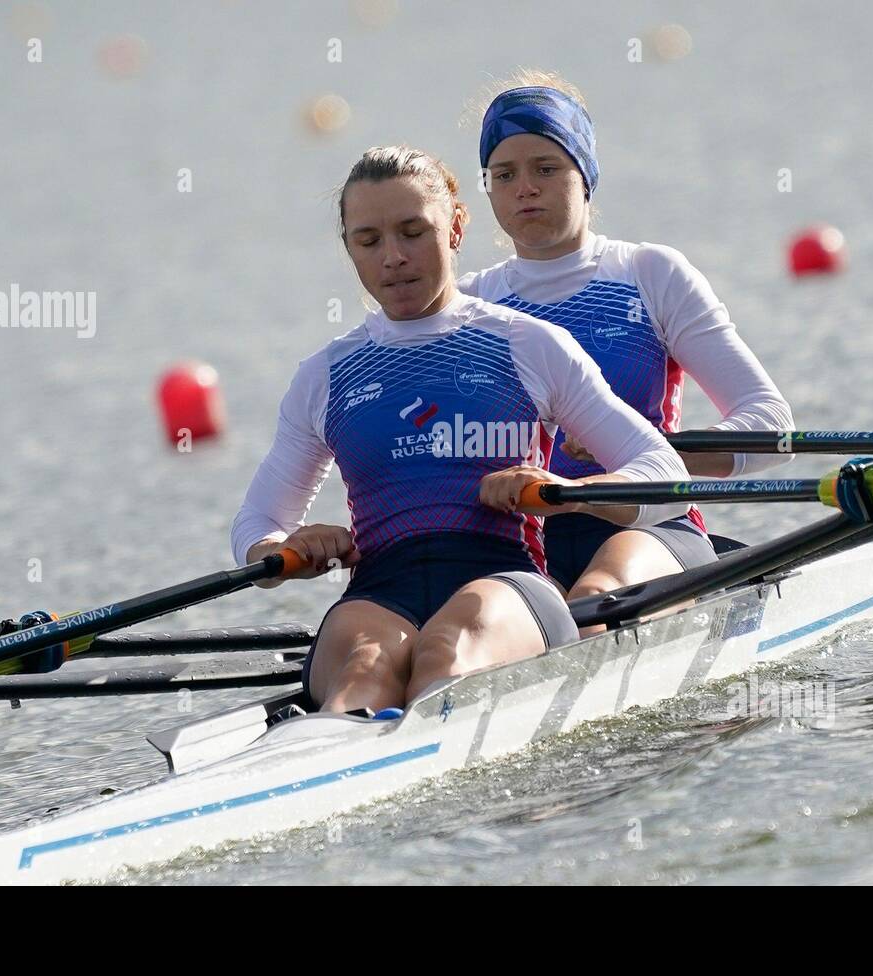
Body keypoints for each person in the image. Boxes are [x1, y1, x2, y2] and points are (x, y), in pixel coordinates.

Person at [231, 145, 691, 714]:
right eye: (369, 241)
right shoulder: (324, 374)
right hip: (379, 587)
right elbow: (258, 522)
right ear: (349, 249)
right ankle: (335, 755)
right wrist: (284, 548)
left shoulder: (529, 345)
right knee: (363, 670)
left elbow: (664, 474)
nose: (394, 257)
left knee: (447, 651)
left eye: (413, 232)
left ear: (455, 226)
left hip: (504, 580)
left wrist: (570, 494)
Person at [460, 71, 795, 625]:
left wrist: (644, 450)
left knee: (596, 594)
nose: (526, 187)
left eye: (546, 168)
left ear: (585, 177)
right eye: (505, 173)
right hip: (522, 540)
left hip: (646, 524)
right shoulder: (471, 302)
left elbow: (770, 426)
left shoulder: (648, 274)